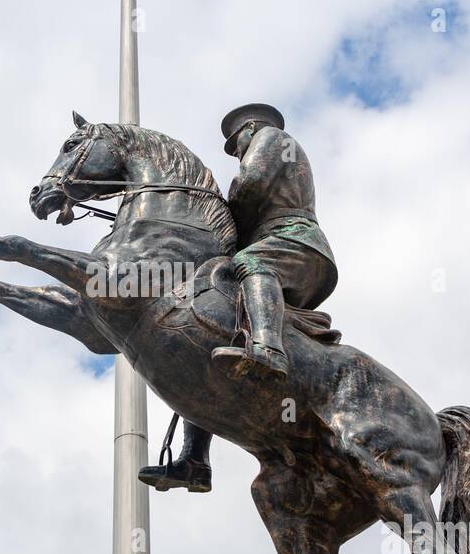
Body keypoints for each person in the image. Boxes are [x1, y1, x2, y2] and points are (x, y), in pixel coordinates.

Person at [139, 103, 337, 493]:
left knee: (249, 263)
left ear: (249, 128)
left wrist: (217, 217)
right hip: (276, 244)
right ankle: (194, 461)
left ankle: (268, 352)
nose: (236, 151)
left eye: (235, 144)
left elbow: (250, 186)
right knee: (207, 347)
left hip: (295, 244)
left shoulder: (273, 139)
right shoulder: (262, 142)